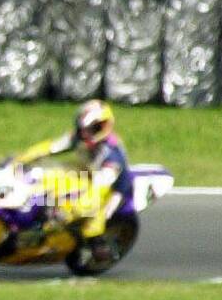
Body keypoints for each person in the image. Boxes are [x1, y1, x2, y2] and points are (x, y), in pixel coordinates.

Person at [12, 100, 133, 259]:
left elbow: (96, 192)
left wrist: (71, 212)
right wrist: (21, 159)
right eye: (82, 128)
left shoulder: (111, 158)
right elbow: (51, 147)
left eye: (90, 129)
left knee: (91, 221)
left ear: (102, 127)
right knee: (50, 176)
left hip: (113, 188)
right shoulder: (80, 136)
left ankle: (99, 246)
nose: (84, 133)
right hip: (88, 172)